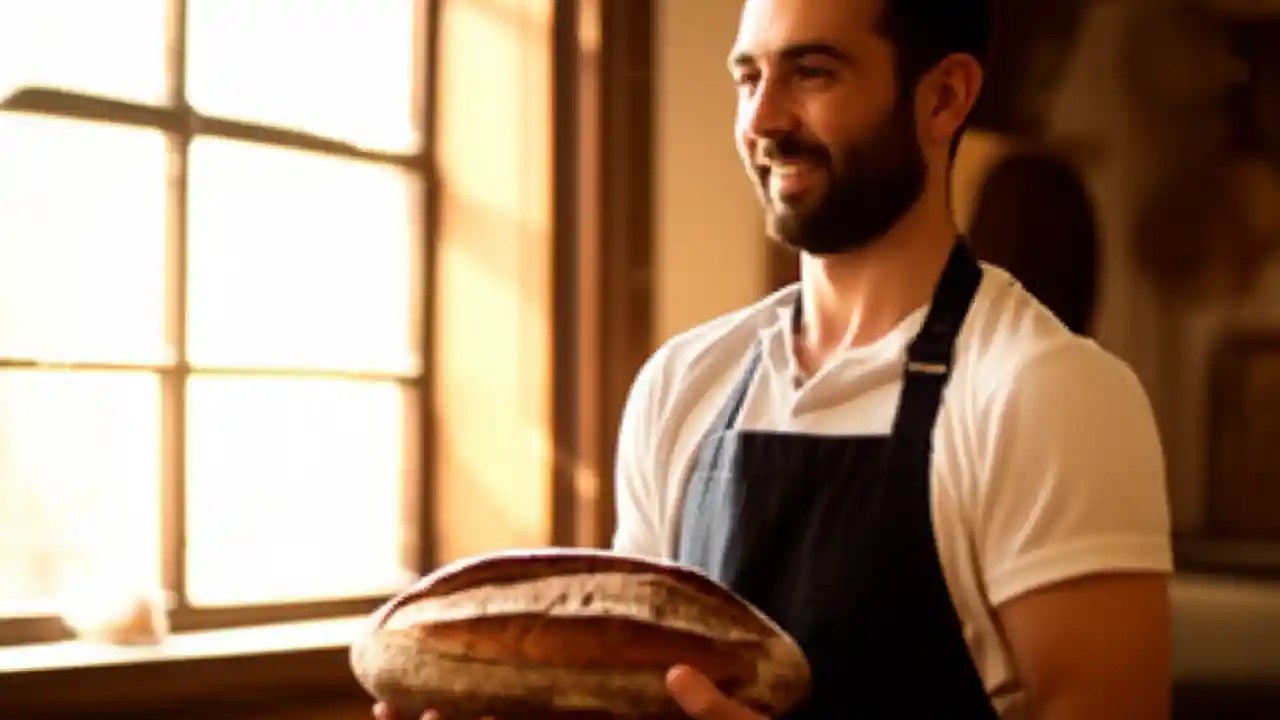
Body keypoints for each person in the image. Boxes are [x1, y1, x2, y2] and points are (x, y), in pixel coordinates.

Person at [376, 0, 1174, 718]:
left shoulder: (1047, 393)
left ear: (944, 97)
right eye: (747, 77)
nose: (764, 118)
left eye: (812, 72)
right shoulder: (683, 384)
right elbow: (635, 702)